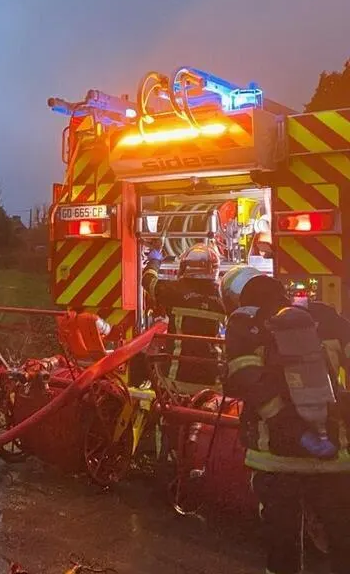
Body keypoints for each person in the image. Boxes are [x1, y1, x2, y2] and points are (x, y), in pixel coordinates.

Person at [222, 271, 350, 574]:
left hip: (276, 459)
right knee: (343, 542)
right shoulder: (325, 317)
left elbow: (244, 379)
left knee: (283, 549)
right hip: (335, 455)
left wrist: (287, 427)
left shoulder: (244, 324)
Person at [142, 242, 227, 390]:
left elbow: (147, 280)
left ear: (185, 267)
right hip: (213, 383)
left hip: (177, 380)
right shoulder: (225, 297)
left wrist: (155, 260)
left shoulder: (173, 291)